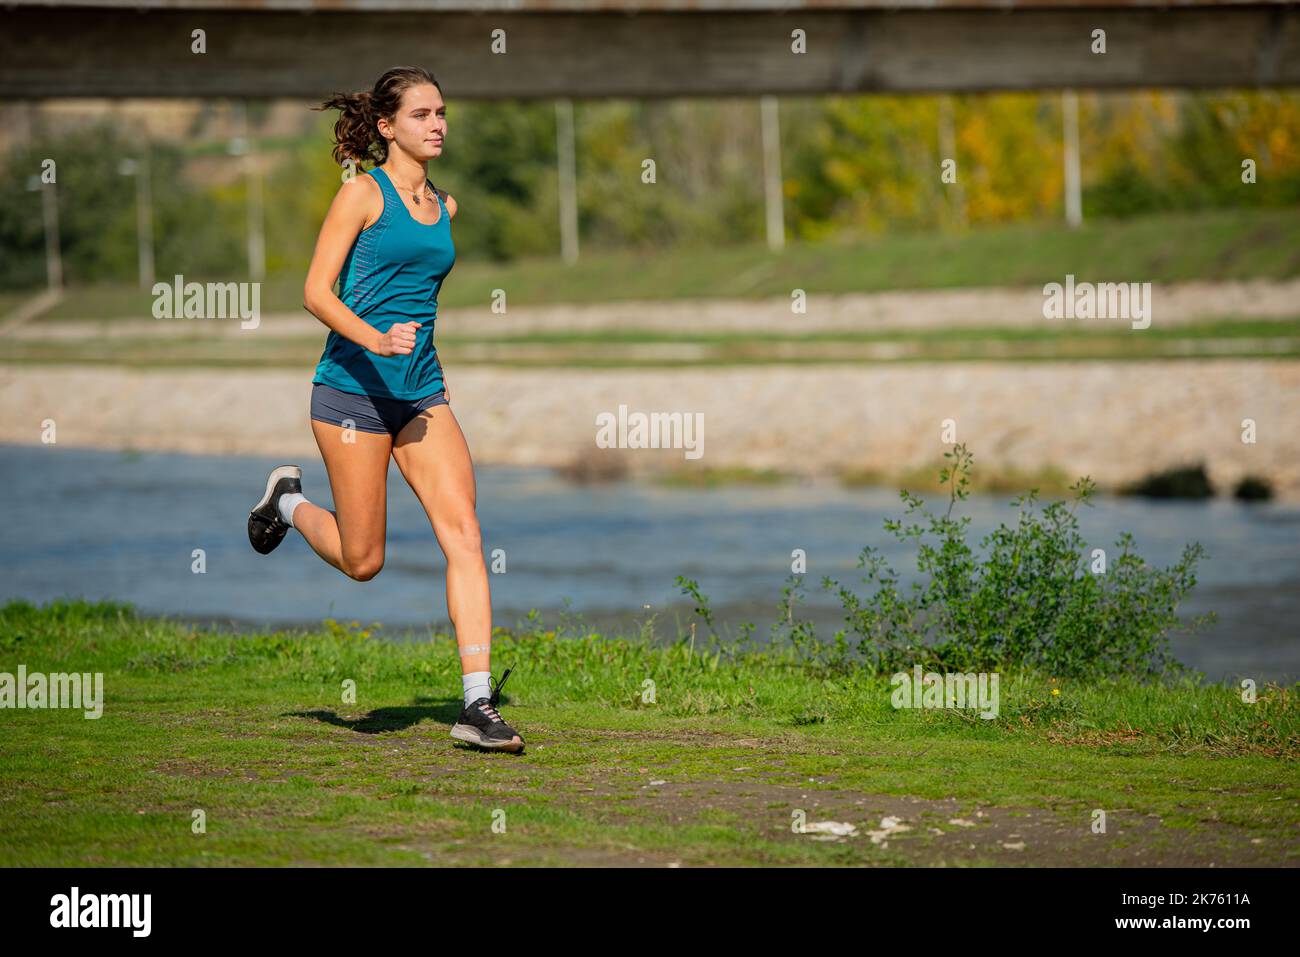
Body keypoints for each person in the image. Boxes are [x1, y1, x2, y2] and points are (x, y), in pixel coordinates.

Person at [246, 66, 523, 753]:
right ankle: (285, 502)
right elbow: (314, 290)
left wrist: (429, 366)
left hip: (421, 392)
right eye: (424, 114)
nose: (438, 124)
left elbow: (418, 296)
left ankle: (477, 704)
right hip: (350, 391)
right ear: (386, 126)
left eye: (443, 112)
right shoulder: (361, 197)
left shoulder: (443, 207)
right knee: (363, 559)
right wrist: (374, 338)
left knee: (463, 530)